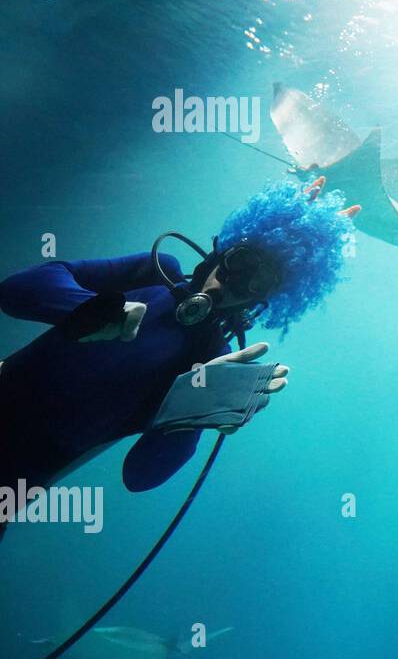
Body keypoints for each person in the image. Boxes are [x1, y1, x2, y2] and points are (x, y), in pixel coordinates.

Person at [0, 177, 355, 540]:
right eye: (243, 262)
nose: (237, 283)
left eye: (258, 282)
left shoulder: (213, 365)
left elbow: (140, 477)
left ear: (263, 300)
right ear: (224, 250)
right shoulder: (153, 271)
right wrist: (83, 309)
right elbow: (15, 290)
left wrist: (187, 417)